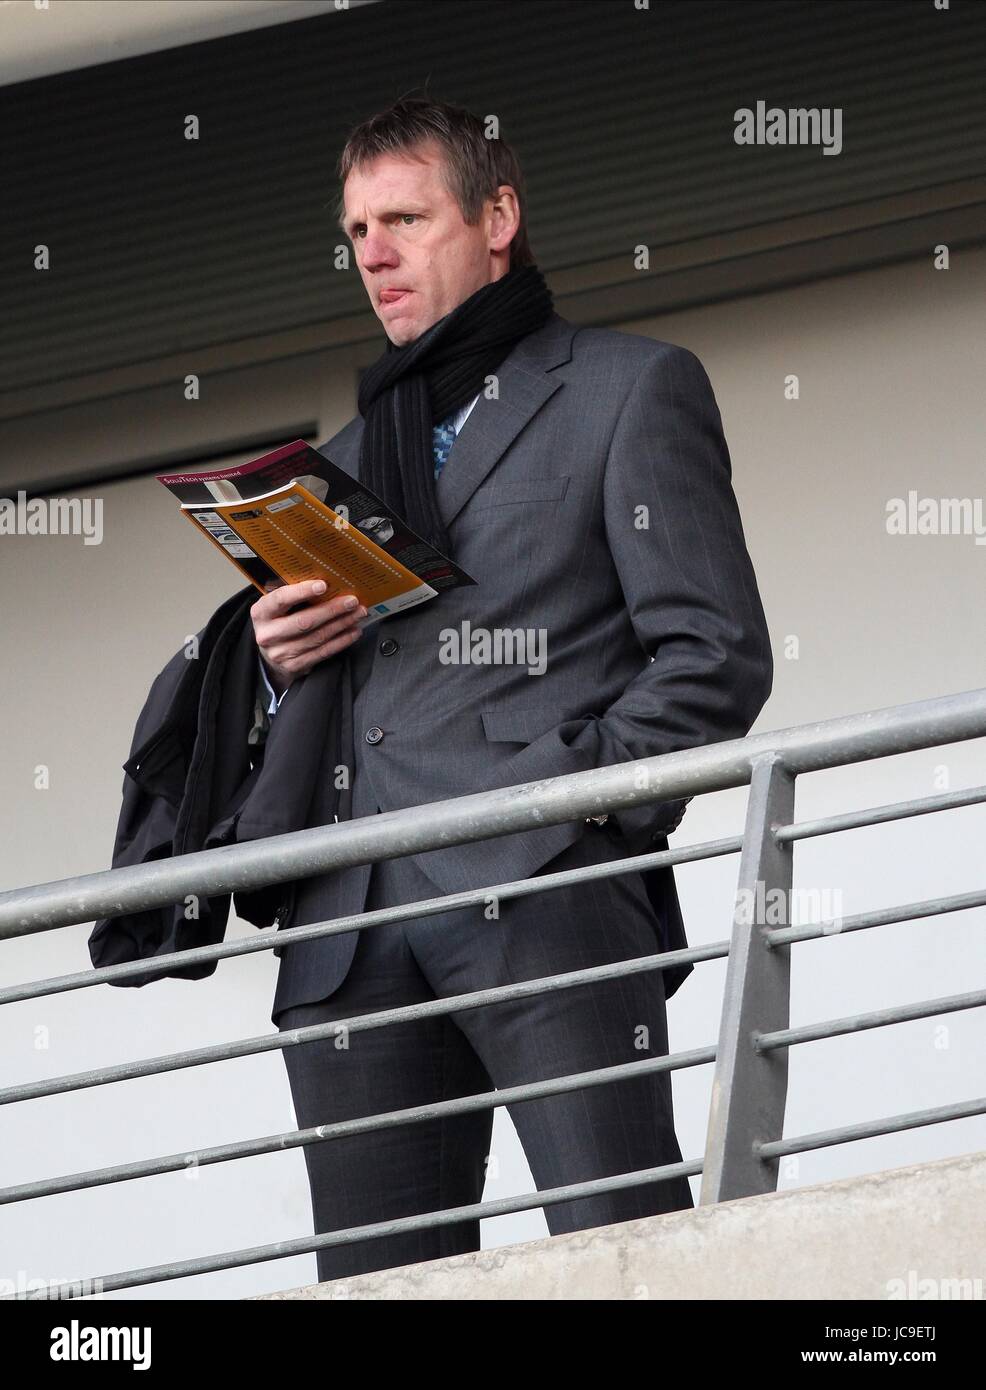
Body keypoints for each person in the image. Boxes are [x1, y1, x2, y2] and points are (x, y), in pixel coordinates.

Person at [92, 94, 772, 1285]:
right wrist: (269, 651)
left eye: (403, 217)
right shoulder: (341, 462)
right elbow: (330, 696)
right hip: (344, 939)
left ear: (498, 215)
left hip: (548, 896)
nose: (374, 254)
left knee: (635, 1266)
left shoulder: (631, 389)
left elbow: (714, 654)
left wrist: (556, 800)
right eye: (355, 231)